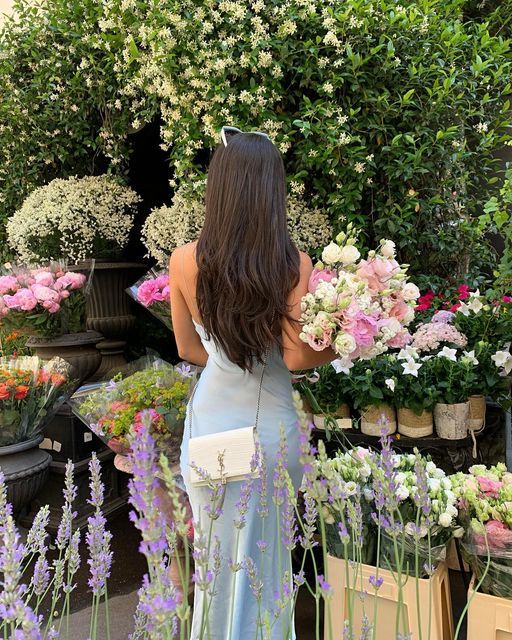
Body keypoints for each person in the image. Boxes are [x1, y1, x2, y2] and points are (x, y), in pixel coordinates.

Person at [169, 127, 336, 640]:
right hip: (269, 431)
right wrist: (337, 344)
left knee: (215, 562)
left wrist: (226, 354)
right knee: (265, 558)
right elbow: (296, 357)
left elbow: (188, 350)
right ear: (271, 191)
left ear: (218, 188)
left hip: (211, 424)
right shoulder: (292, 264)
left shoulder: (184, 260)